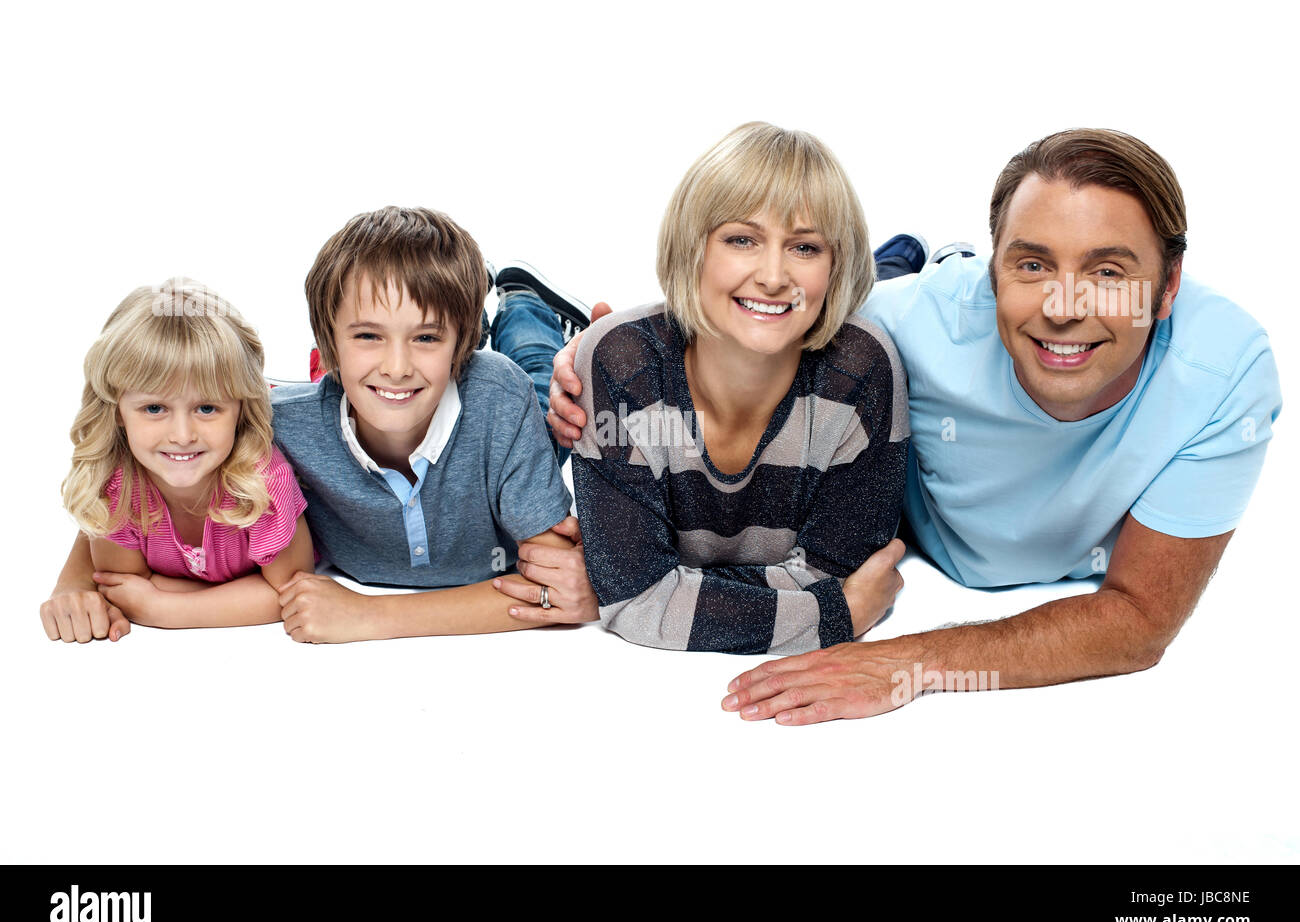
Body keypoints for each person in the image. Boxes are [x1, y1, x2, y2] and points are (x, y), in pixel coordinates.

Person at [547, 128, 1283, 720]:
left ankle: (903, 255)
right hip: (911, 304)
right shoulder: (900, 335)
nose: (1063, 306)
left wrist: (911, 662)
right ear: (993, 271)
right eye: (1030, 265)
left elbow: (1140, 619)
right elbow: (751, 315)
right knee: (876, 287)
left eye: (1109, 273)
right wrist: (587, 354)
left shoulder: (1224, 373)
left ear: (1170, 288)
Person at [569, 122, 912, 655]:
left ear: (835, 264)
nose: (773, 276)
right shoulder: (619, 362)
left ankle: (908, 258)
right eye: (741, 239)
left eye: (804, 247)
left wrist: (674, 590)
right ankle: (524, 304)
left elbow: (835, 570)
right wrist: (835, 616)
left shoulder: (863, 370)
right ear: (694, 248)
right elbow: (634, 599)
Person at [269, 206, 599, 642]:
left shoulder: (498, 397)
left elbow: (554, 588)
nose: (397, 367)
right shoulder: (281, 426)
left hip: (503, 411)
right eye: (368, 335)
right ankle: (471, 305)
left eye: (426, 336)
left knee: (540, 383)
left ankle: (524, 301)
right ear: (327, 343)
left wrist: (369, 616)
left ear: (462, 345)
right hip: (417, 393)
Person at [45, 278, 314, 637]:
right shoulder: (117, 485)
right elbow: (123, 587)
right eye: (154, 408)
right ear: (117, 412)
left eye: (207, 407)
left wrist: (165, 607)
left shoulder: (263, 480)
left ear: (240, 409)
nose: (183, 436)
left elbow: (294, 593)